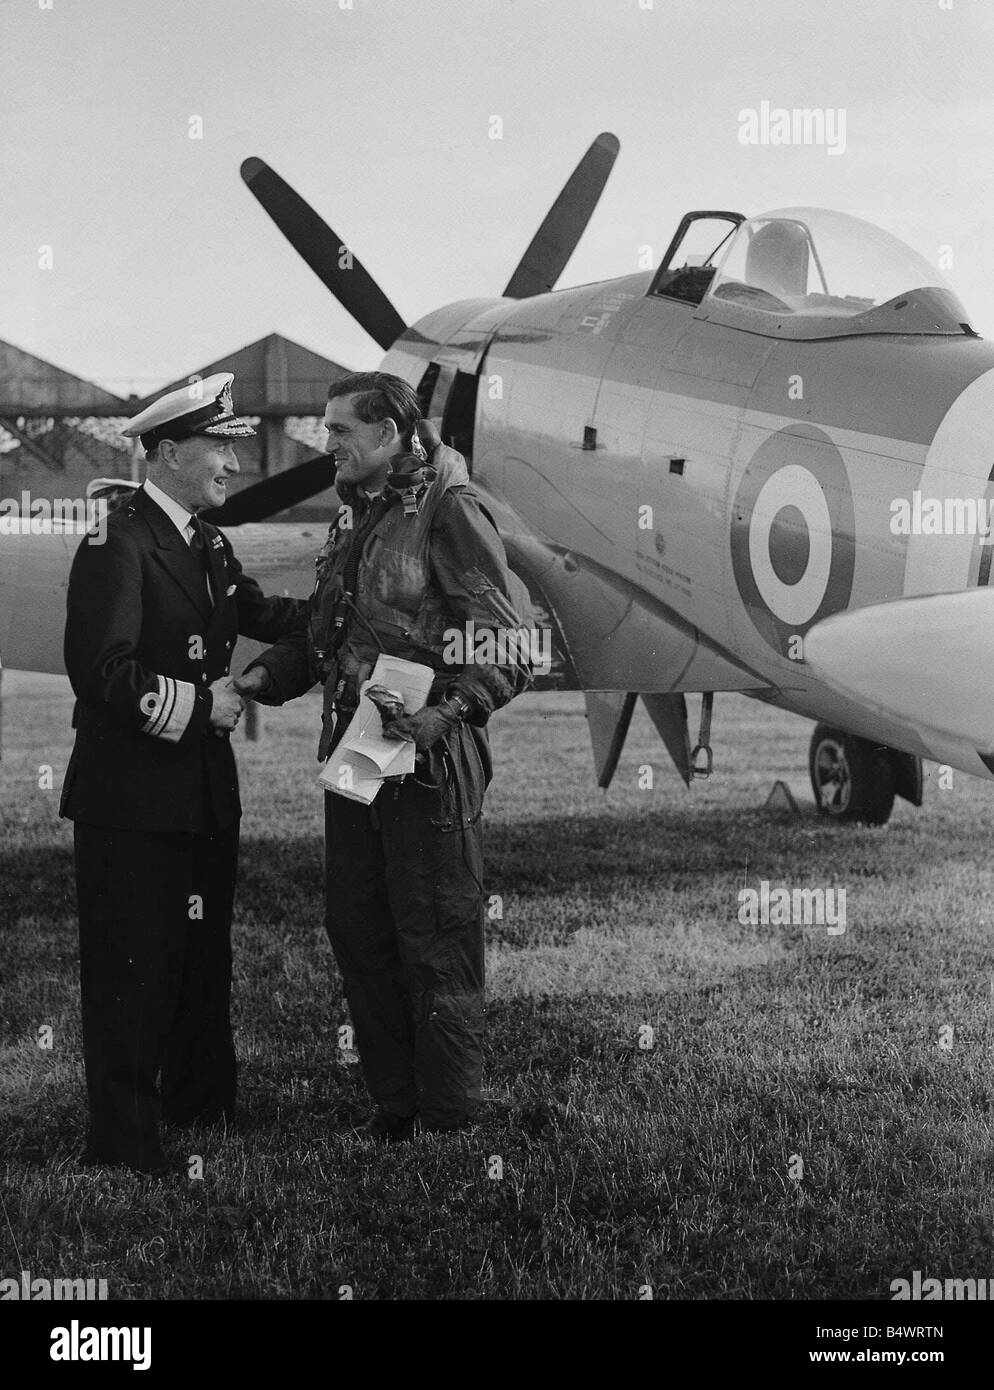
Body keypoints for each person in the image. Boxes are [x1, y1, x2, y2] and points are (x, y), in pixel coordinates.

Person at [236, 371, 534, 1141]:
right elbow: (329, 633)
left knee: (434, 936)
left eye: (339, 429)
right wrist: (268, 674)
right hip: (357, 759)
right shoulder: (357, 516)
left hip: (431, 765)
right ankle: (395, 1108)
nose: (325, 441)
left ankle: (448, 1116)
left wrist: (448, 712)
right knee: (360, 932)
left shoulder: (450, 511)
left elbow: (508, 644)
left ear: (392, 433)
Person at [61, 372, 304, 1176]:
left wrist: (350, 600)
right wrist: (204, 710)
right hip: (131, 800)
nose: (232, 466)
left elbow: (264, 616)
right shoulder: (114, 540)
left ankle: (201, 1104)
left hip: (200, 796)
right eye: (219, 450)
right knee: (133, 965)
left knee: (202, 956)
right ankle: (124, 1144)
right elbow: (103, 670)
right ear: (168, 453)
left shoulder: (209, 542)